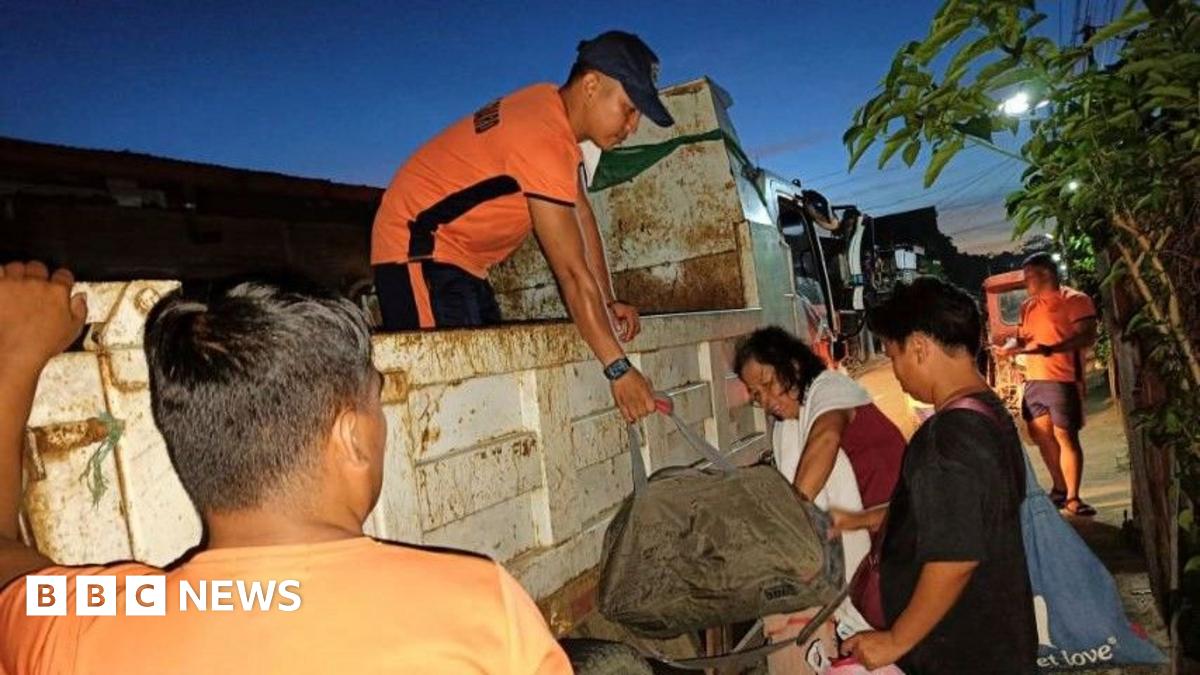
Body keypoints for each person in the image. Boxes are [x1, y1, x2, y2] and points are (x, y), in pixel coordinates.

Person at [0, 261, 571, 674]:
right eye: (376, 398)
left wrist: (17, 358)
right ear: (352, 436)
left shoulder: (83, 623)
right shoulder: (477, 604)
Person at [371, 30, 674, 424]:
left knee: (487, 386)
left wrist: (607, 301)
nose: (632, 126)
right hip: (415, 249)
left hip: (463, 261)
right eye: (629, 109)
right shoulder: (541, 136)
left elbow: (582, 217)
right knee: (445, 404)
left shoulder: (550, 113)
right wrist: (618, 368)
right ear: (592, 84)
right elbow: (568, 270)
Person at [839, 277, 1036, 673]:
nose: (895, 371)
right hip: (997, 635)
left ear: (918, 347)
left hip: (960, 651)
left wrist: (895, 641)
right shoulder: (989, 413)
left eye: (894, 356)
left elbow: (954, 557)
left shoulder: (946, 438)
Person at [735, 326, 906, 672]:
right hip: (875, 543)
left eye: (767, 384)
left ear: (793, 367)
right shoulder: (789, 426)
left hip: (899, 534)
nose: (765, 401)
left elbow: (826, 439)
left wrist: (792, 521)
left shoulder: (830, 389)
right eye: (756, 395)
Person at [994, 252, 1098, 516]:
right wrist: (1007, 348)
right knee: (1042, 437)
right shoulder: (1028, 306)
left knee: (1065, 436)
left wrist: (1050, 349)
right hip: (1034, 379)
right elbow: (1019, 339)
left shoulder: (1075, 300)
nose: (1025, 282)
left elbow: (1086, 337)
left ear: (1046, 274)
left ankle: (1074, 497)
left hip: (1063, 378)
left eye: (1029, 276)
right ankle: (1059, 488)